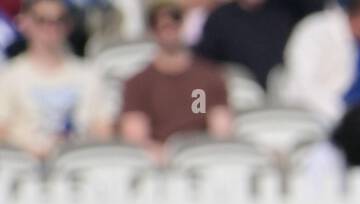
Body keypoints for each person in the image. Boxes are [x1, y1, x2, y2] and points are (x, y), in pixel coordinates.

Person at [120, 0, 232, 162]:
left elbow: (221, 130)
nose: (169, 29)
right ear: (152, 30)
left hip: (202, 160)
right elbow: (136, 138)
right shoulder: (138, 83)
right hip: (161, 165)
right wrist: (168, 157)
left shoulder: (209, 77)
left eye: (175, 21)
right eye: (161, 25)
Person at [0, 0, 111, 158]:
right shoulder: (9, 76)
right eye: (42, 20)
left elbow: (102, 130)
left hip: (79, 168)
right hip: (26, 172)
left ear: (69, 24)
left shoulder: (89, 74)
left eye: (59, 20)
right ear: (24, 23)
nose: (51, 27)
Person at [281, 0, 360, 125]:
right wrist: (345, 116)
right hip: (324, 119)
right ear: (358, 18)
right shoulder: (314, 32)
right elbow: (302, 86)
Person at [194, 0, 300, 90]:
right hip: (242, 95)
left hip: (285, 93)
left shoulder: (287, 10)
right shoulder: (220, 18)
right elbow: (204, 62)